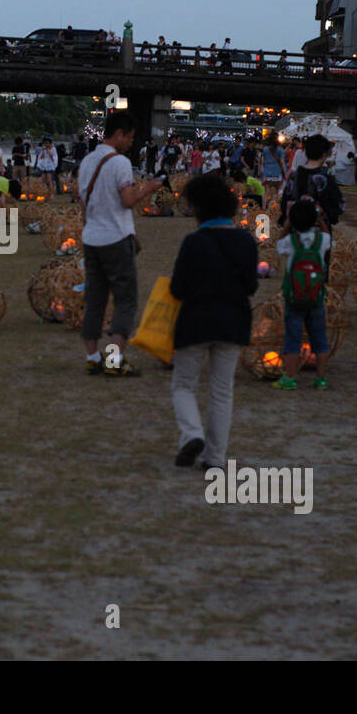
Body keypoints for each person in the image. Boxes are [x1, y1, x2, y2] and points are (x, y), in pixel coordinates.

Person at [169, 174, 258, 471]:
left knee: (183, 385)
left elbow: (177, 289)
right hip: (233, 322)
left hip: (195, 321)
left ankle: (192, 435)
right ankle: (216, 458)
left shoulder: (193, 242)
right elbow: (250, 287)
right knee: (222, 391)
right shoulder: (246, 241)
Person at [78, 112, 163, 377]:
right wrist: (147, 189)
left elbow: (82, 201)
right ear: (119, 133)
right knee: (126, 299)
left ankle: (93, 356)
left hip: (91, 238)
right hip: (116, 238)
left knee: (95, 299)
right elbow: (128, 200)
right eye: (130, 137)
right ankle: (114, 359)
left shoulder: (87, 161)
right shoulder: (120, 163)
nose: (130, 142)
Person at [272, 200, 332, 390]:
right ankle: (321, 378)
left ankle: (290, 377)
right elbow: (328, 237)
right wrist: (320, 220)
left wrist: (287, 224)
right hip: (316, 298)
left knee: (292, 338)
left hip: (294, 298)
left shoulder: (291, 242)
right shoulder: (321, 240)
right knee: (319, 338)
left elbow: (279, 244)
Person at [278, 134, 344, 235]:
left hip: (295, 231)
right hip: (320, 234)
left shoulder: (294, 176)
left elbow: (284, 203)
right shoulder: (325, 179)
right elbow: (338, 204)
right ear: (324, 155)